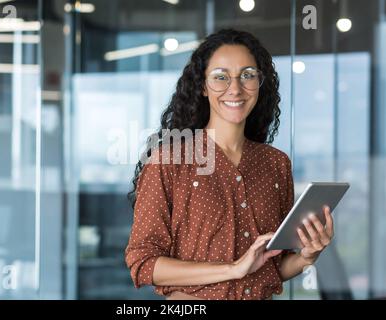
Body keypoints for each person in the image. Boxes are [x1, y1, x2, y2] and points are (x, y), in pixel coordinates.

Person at [125, 28, 334, 300]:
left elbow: (271, 268)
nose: (235, 88)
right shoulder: (169, 162)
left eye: (247, 75)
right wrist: (233, 269)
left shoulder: (276, 164)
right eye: (220, 77)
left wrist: (308, 256)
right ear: (202, 86)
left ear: (260, 83)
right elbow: (143, 264)